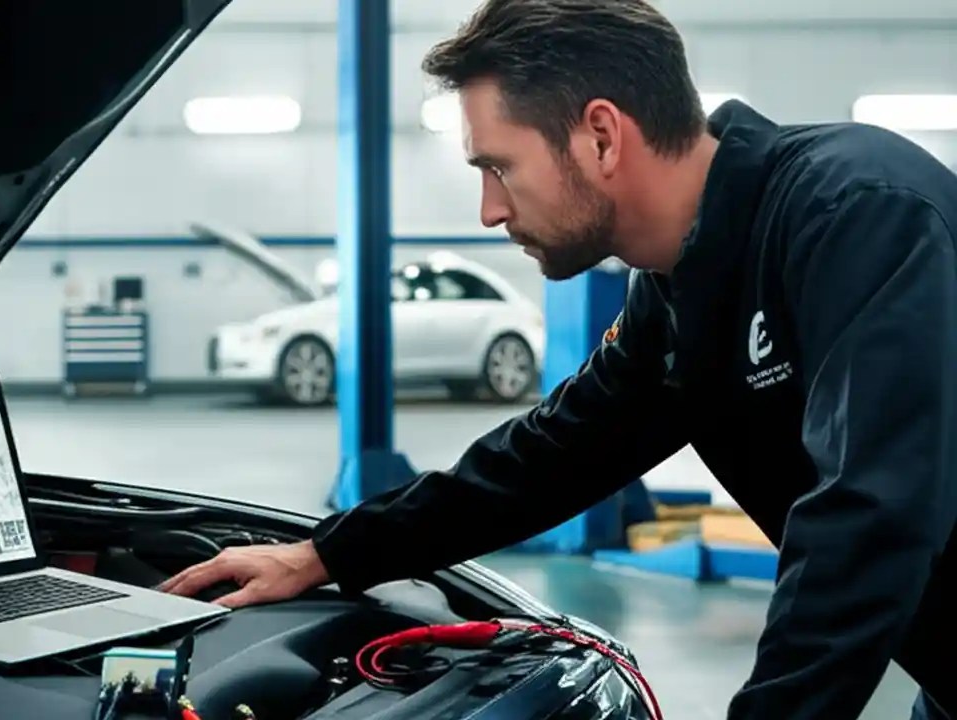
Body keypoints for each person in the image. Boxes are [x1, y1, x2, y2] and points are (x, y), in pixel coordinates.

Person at [158, 0, 957, 717]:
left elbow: (869, 515)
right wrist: (326, 553)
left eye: (499, 166)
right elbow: (551, 455)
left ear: (601, 136)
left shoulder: (855, 214)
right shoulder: (680, 289)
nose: (489, 209)